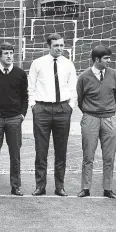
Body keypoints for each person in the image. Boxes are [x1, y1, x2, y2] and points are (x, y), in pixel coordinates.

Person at [28, 33, 77, 197]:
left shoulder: (68, 64)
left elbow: (72, 88)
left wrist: (70, 106)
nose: (59, 48)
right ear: (49, 46)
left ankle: (59, 186)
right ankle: (40, 186)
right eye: (56, 45)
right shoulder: (38, 63)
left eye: (62, 45)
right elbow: (31, 86)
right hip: (42, 109)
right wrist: (34, 106)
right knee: (41, 150)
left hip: (63, 109)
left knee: (61, 150)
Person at [76, 45, 116, 199]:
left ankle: (108, 188)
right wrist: (91, 112)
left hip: (109, 118)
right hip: (90, 118)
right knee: (88, 155)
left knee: (109, 156)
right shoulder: (84, 76)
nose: (109, 61)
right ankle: (85, 188)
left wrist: (108, 111)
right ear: (97, 59)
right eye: (106, 58)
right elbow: (80, 99)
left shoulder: (114, 74)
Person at [0, 42, 28, 196]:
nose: (9, 56)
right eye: (6, 53)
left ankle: (15, 186)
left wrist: (22, 115)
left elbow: (25, 97)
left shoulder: (20, 73)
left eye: (11, 53)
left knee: (15, 154)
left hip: (15, 118)